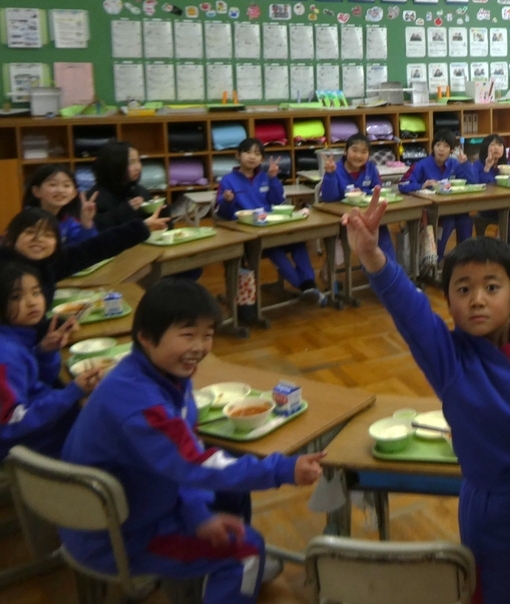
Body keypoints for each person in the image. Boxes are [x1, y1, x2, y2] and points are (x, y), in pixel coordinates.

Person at [341, 144, 510, 604]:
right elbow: (408, 309)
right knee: (496, 593)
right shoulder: (448, 358)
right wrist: (372, 255)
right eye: (462, 290)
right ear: (448, 303)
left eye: (492, 287)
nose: (478, 299)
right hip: (493, 504)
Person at [58, 279, 326, 604]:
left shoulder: (162, 376)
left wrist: (197, 513)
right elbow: (194, 463)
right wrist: (281, 469)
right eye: (187, 335)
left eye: (208, 334)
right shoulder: (142, 405)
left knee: (230, 503)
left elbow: (181, 461)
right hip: (116, 537)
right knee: (247, 551)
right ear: (145, 336)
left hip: (139, 507)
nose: (200, 346)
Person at [0, 262, 102, 461]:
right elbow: (9, 424)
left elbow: (34, 385)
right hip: (34, 452)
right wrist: (72, 392)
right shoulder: (6, 355)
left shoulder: (16, 340)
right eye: (16, 297)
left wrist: (44, 352)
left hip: (45, 435)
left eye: (36, 293)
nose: (32, 302)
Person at [216, 138, 321, 306]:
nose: (252, 157)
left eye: (257, 154)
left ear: (262, 159)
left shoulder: (265, 177)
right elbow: (224, 215)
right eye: (248, 152)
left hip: (271, 227)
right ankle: (304, 286)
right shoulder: (228, 180)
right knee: (274, 250)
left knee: (299, 244)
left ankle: (310, 285)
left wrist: (273, 179)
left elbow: (277, 200)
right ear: (237, 155)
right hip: (249, 234)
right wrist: (227, 201)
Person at [0, 207, 164, 305]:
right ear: (9, 237)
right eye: (30, 232)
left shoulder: (49, 263)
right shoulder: (6, 271)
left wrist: (141, 227)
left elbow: (95, 248)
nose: (39, 240)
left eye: (48, 235)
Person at [319, 133, 396, 261]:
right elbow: (328, 199)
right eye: (354, 150)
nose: (358, 156)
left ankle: (390, 271)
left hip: (367, 215)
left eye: (364, 152)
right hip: (343, 218)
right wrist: (330, 174)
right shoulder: (335, 168)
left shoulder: (371, 168)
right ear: (345, 151)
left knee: (381, 230)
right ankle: (331, 274)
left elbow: (378, 189)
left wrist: (363, 192)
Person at [402, 129, 472, 260]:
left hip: (452, 207)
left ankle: (464, 259)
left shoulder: (454, 164)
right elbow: (403, 184)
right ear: (433, 147)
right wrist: (421, 185)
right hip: (430, 211)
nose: (441, 149)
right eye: (438, 145)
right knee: (448, 221)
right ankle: (435, 258)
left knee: (465, 219)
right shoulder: (421, 165)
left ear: (451, 150)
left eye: (446, 146)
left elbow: (472, 183)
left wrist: (465, 165)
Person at [23, 164, 97, 245]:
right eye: (53, 184)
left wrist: (86, 223)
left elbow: (88, 248)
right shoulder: (26, 220)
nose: (60, 190)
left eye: (66, 185)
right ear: (36, 191)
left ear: (74, 193)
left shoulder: (69, 221)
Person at [91, 141, 153, 231]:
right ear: (114, 165)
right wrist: (126, 211)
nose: (138, 167)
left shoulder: (140, 191)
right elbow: (97, 229)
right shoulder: (96, 197)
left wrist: (162, 212)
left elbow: (159, 226)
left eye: (139, 160)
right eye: (132, 162)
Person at [465, 133, 508, 237]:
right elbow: (480, 187)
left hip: (504, 202)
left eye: (500, 145)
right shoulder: (477, 165)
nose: (497, 148)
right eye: (493, 145)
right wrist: (487, 168)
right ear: (485, 148)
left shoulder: (505, 165)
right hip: (487, 206)